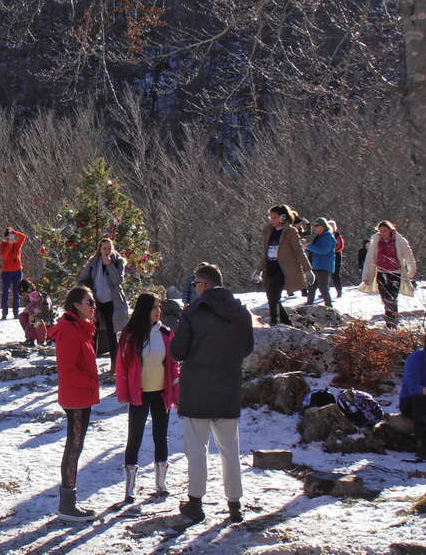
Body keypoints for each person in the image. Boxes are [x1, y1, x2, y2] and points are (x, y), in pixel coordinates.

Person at [170, 263, 254, 524]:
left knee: (197, 449)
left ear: (203, 285)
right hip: (228, 387)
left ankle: (195, 502)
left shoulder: (193, 313)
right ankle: (234, 503)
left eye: (195, 285)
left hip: (197, 389)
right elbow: (248, 348)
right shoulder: (241, 313)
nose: (195, 289)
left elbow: (177, 352)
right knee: (230, 450)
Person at [115, 293, 180, 502]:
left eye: (159, 306)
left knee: (161, 437)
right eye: (153, 307)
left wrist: (176, 392)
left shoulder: (166, 333)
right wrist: (123, 392)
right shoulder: (130, 335)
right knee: (134, 438)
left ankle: (161, 483)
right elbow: (122, 365)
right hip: (138, 394)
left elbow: (174, 366)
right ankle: (130, 487)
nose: (157, 310)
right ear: (144, 309)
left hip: (161, 393)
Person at [48, 286, 100, 522]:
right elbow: (66, 369)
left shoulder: (81, 328)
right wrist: (90, 382)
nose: (93, 306)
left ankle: (68, 501)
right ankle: (67, 504)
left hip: (81, 395)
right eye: (89, 302)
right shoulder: (70, 331)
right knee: (74, 448)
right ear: (77, 305)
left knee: (75, 446)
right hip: (76, 397)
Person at [253, 205, 313, 326]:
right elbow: (266, 253)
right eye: (271, 218)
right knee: (271, 296)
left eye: (275, 218)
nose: (272, 221)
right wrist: (258, 270)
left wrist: (308, 270)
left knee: (274, 294)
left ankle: (273, 323)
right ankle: (287, 321)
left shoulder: (290, 232)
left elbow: (299, 251)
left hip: (283, 269)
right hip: (270, 267)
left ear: (283, 217)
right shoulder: (269, 231)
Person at [78, 237, 129, 373]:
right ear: (99, 250)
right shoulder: (94, 262)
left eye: (109, 248)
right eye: (104, 248)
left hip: (112, 302)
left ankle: (114, 365)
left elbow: (117, 280)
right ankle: (90, 364)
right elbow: (82, 279)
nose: (107, 251)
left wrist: (109, 265)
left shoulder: (118, 262)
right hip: (96, 303)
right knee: (93, 333)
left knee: (112, 334)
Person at [360, 221, 417, 329]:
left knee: (392, 297)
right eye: (381, 231)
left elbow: (409, 256)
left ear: (390, 230)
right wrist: (365, 276)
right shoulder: (376, 241)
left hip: (395, 273)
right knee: (384, 298)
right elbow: (369, 259)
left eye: (385, 231)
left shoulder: (399, 241)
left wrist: (411, 271)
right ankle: (388, 321)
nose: (383, 233)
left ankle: (393, 322)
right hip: (381, 273)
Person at [400, 344, 426, 460]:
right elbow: (413, 387)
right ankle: (422, 446)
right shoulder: (415, 358)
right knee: (420, 400)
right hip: (411, 402)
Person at [304, 218, 337, 308]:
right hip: (316, 265)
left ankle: (329, 306)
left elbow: (324, 250)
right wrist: (306, 250)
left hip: (324, 266)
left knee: (323, 288)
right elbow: (315, 249)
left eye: (316, 225)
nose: (315, 228)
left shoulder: (328, 237)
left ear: (323, 226)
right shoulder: (319, 237)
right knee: (311, 286)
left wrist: (310, 247)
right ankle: (309, 304)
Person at [0, 226, 27, 319]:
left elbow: (23, 237)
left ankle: (16, 312)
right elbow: (4, 255)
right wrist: (9, 244)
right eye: (8, 236)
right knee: (6, 291)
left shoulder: (17, 244)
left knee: (17, 291)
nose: (10, 238)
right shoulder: (3, 244)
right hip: (6, 272)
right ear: (5, 237)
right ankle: (4, 312)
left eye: (11, 236)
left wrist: (14, 232)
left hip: (17, 271)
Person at [17, 279, 51, 346]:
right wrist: (27, 311)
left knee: (37, 322)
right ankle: (30, 337)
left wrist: (35, 314)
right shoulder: (29, 299)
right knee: (22, 316)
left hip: (45, 321)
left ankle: (42, 340)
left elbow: (46, 309)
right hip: (33, 322)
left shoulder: (43, 297)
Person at [328, 220, 345, 298]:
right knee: (325, 275)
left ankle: (339, 291)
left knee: (335, 275)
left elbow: (340, 246)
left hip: (336, 256)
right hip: (327, 257)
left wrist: (332, 250)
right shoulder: (325, 235)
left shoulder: (337, 235)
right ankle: (325, 291)